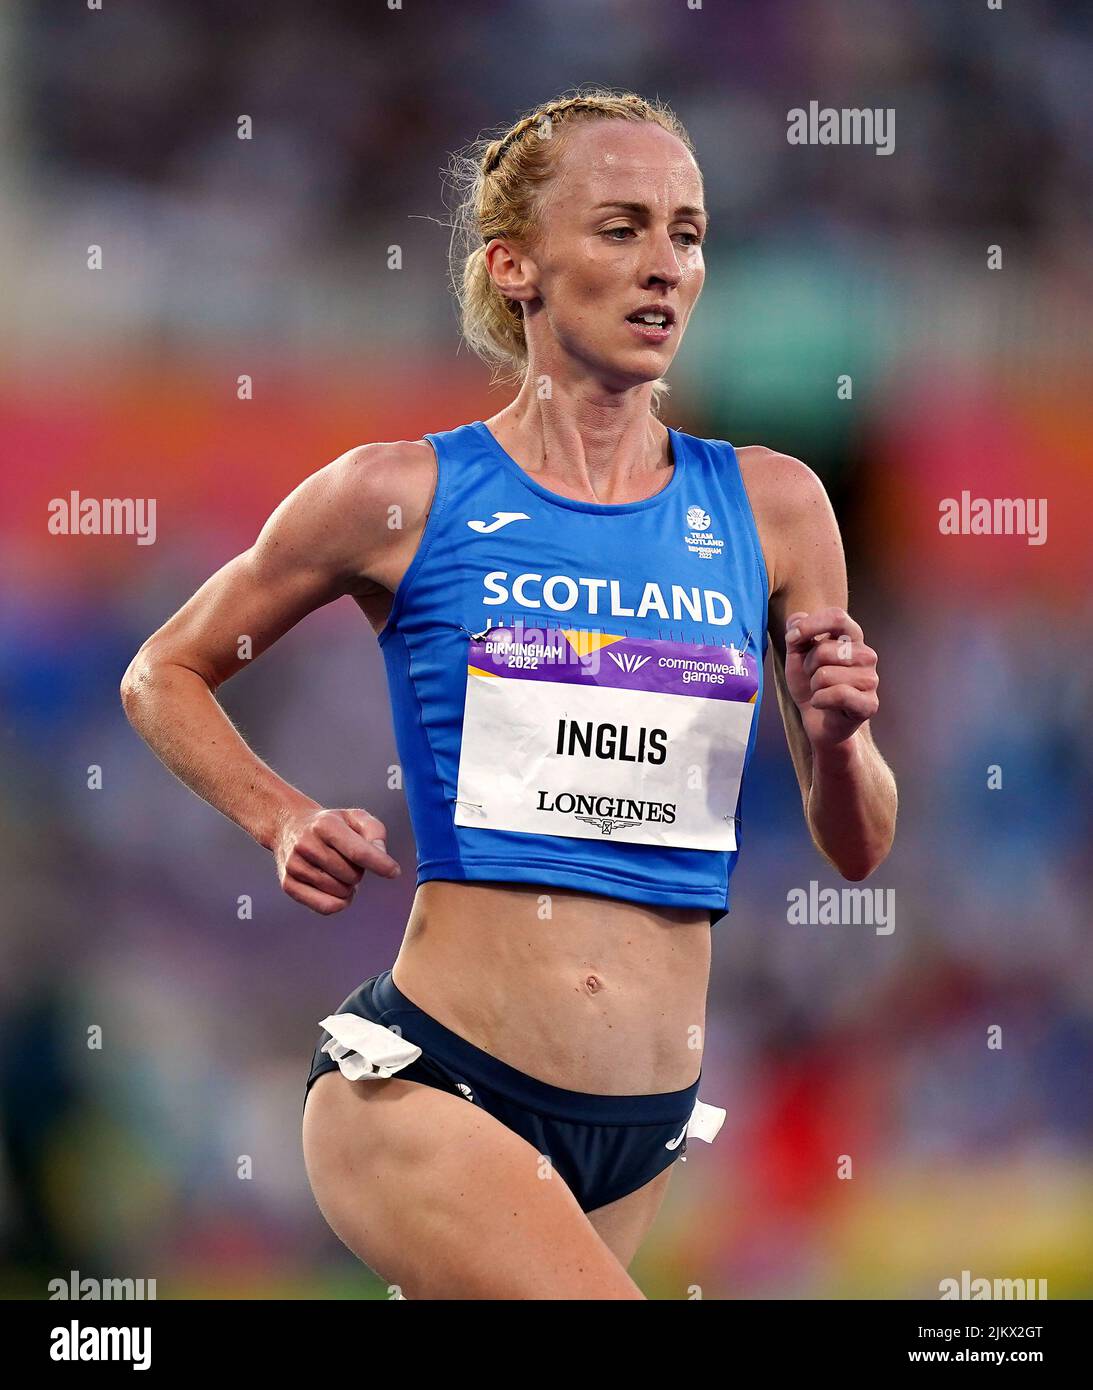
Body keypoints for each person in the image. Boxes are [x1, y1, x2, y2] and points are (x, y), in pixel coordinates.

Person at [121, 88, 896, 1300]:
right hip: (429, 1086)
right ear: (514, 266)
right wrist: (281, 815)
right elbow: (162, 670)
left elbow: (856, 846)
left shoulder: (775, 505)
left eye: (687, 234)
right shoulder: (400, 494)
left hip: (639, 1127)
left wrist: (841, 740)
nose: (665, 267)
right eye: (621, 228)